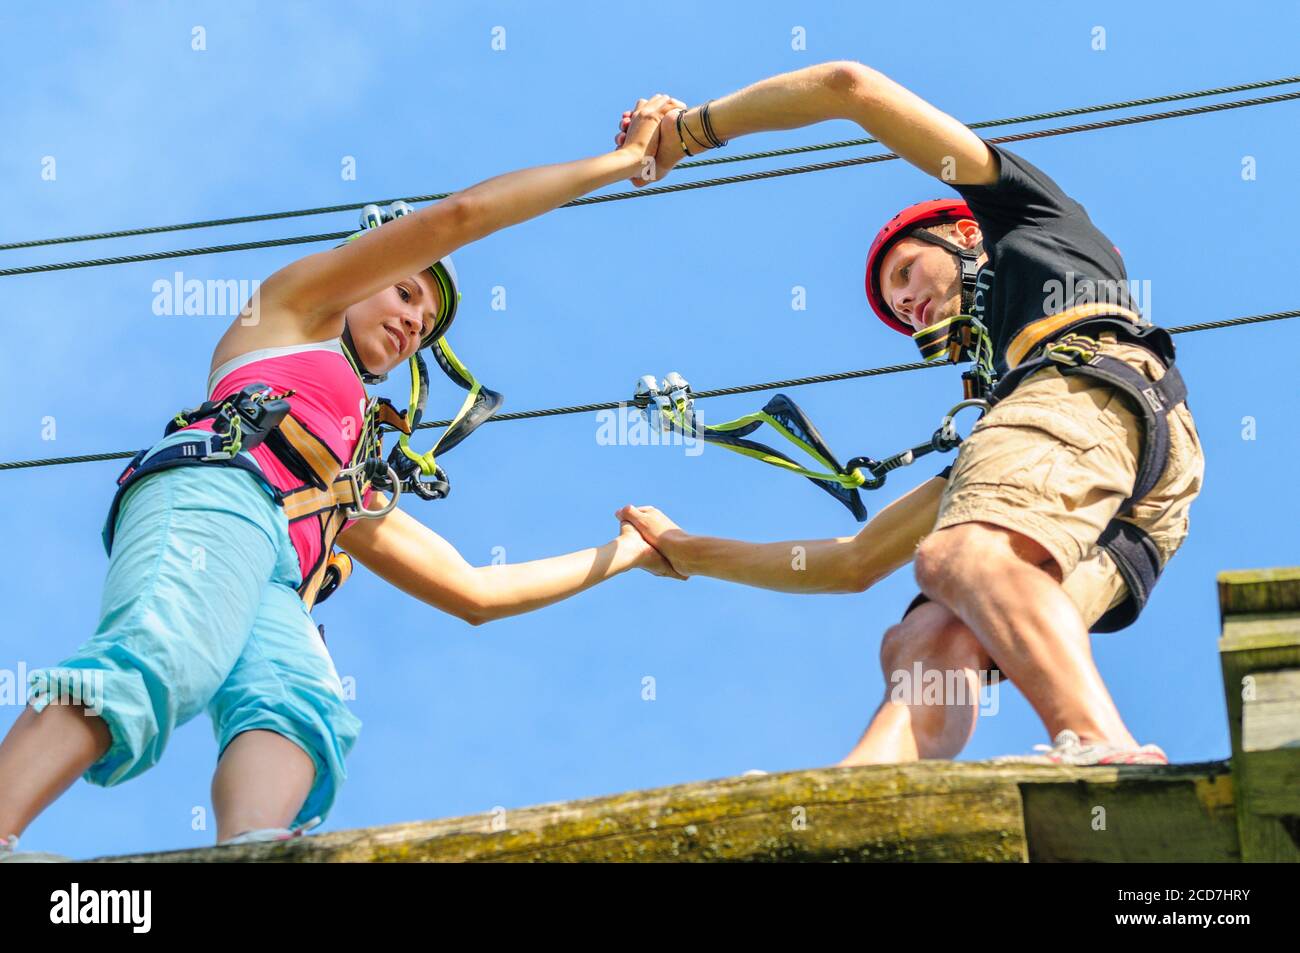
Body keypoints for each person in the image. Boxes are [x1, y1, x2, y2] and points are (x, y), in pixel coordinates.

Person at [0, 95, 684, 861]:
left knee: (299, 702)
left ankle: (252, 848)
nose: (412, 321)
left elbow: (475, 592)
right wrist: (629, 163)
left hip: (280, 563)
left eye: (425, 323)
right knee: (168, 652)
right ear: (365, 269)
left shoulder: (347, 472)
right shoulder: (294, 309)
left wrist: (630, 551)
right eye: (404, 292)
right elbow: (458, 216)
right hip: (219, 493)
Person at [615, 62, 1205, 767]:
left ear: (962, 233)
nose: (907, 305)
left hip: (1089, 392)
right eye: (897, 308)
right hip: (1131, 472)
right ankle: (857, 791)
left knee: (965, 555)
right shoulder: (1004, 407)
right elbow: (855, 562)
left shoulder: (1024, 214)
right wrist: (687, 551)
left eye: (906, 275)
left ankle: (1103, 746)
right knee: (926, 641)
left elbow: (848, 87)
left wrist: (690, 131)